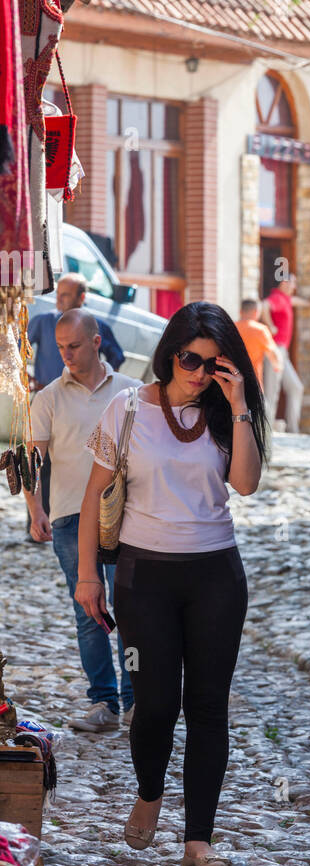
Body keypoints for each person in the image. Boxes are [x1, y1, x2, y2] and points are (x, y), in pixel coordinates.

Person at [75, 302, 267, 866]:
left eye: (213, 364)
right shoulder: (127, 409)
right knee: (156, 704)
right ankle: (150, 792)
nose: (199, 371)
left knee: (208, 707)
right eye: (189, 358)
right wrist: (88, 576)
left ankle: (198, 839)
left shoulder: (222, 412)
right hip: (144, 575)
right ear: (170, 352)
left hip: (215, 575)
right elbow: (92, 500)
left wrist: (237, 408)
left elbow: (248, 484)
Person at [22, 311, 138, 732]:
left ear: (96, 341)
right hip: (71, 518)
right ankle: (104, 702)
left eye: (73, 345)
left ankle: (135, 701)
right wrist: (36, 510)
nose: (66, 354)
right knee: (90, 611)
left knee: (131, 610)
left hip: (128, 518)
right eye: (60, 347)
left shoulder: (132, 392)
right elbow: (32, 462)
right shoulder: (48, 397)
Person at [25, 273, 125, 529]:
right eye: (57, 294)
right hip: (49, 398)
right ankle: (38, 520)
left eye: (66, 295)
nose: (59, 300)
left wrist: (104, 383)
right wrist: (25, 377)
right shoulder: (43, 322)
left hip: (91, 401)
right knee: (43, 463)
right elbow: (18, 348)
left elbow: (117, 356)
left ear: (81, 297)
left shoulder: (99, 325)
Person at [261, 272, 310, 433]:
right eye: (293, 283)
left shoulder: (285, 299)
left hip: (282, 352)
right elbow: (264, 305)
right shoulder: (277, 298)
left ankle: (292, 429)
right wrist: (270, 324)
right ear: (284, 283)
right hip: (275, 349)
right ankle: (267, 430)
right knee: (271, 390)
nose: (295, 286)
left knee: (295, 387)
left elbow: (295, 301)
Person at [234, 298, 281, 390]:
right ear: (256, 312)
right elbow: (273, 353)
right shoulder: (260, 330)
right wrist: (277, 366)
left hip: (232, 381)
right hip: (253, 383)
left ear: (240, 311)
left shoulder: (230, 328)